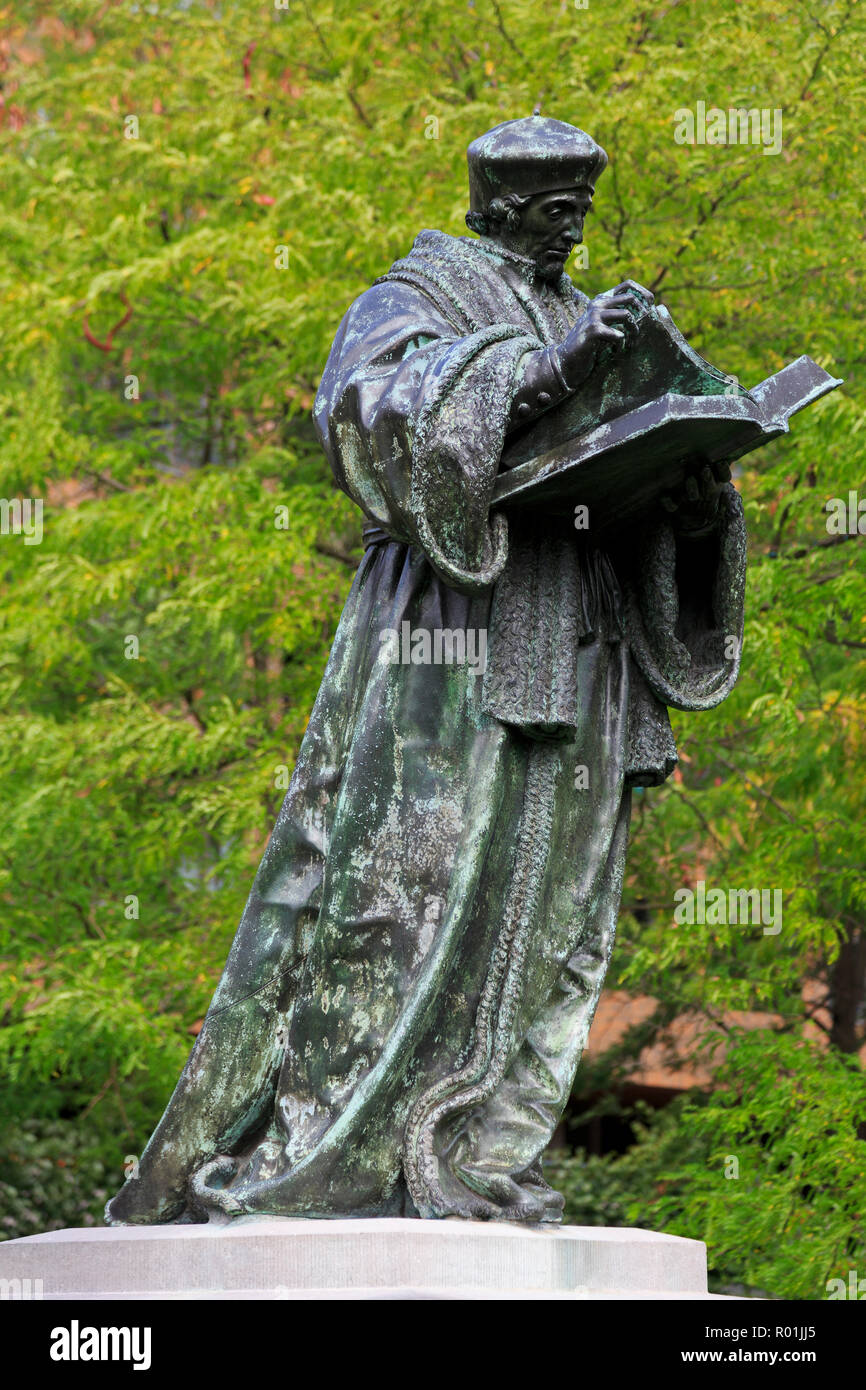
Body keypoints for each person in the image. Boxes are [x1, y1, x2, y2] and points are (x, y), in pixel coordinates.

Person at [106, 116, 745, 1226]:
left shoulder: (581, 307)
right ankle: (334, 1153)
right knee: (404, 896)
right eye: (553, 213)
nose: (570, 230)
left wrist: (690, 498)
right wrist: (546, 376)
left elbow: (618, 468)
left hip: (584, 641)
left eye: (581, 212)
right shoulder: (412, 294)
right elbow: (370, 414)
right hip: (449, 643)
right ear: (495, 206)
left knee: (558, 904)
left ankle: (482, 1150)